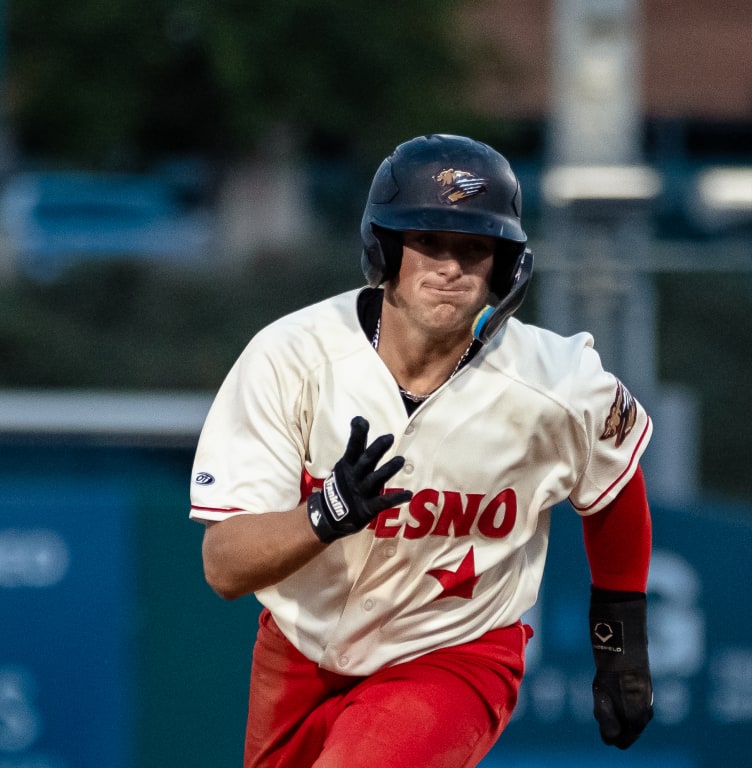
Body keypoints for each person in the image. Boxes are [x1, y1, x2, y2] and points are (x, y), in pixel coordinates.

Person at [188, 133, 656, 767]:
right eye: (427, 241)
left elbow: (615, 483)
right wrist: (322, 515)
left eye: (473, 247)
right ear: (383, 249)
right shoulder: (291, 357)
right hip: (298, 647)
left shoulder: (559, 381)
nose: (451, 266)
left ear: (506, 264)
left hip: (453, 654)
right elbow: (224, 566)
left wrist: (619, 640)